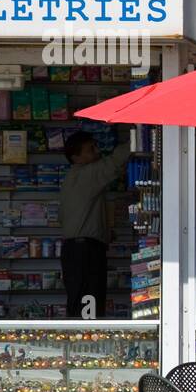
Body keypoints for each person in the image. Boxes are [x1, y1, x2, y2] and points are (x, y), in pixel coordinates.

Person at [60, 129, 130, 319]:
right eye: (91, 149)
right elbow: (114, 162)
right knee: (88, 301)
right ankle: (88, 340)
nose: (97, 152)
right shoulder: (86, 175)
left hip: (80, 250)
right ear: (76, 157)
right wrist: (139, 137)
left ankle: (82, 337)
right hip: (85, 252)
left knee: (82, 299)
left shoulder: (74, 178)